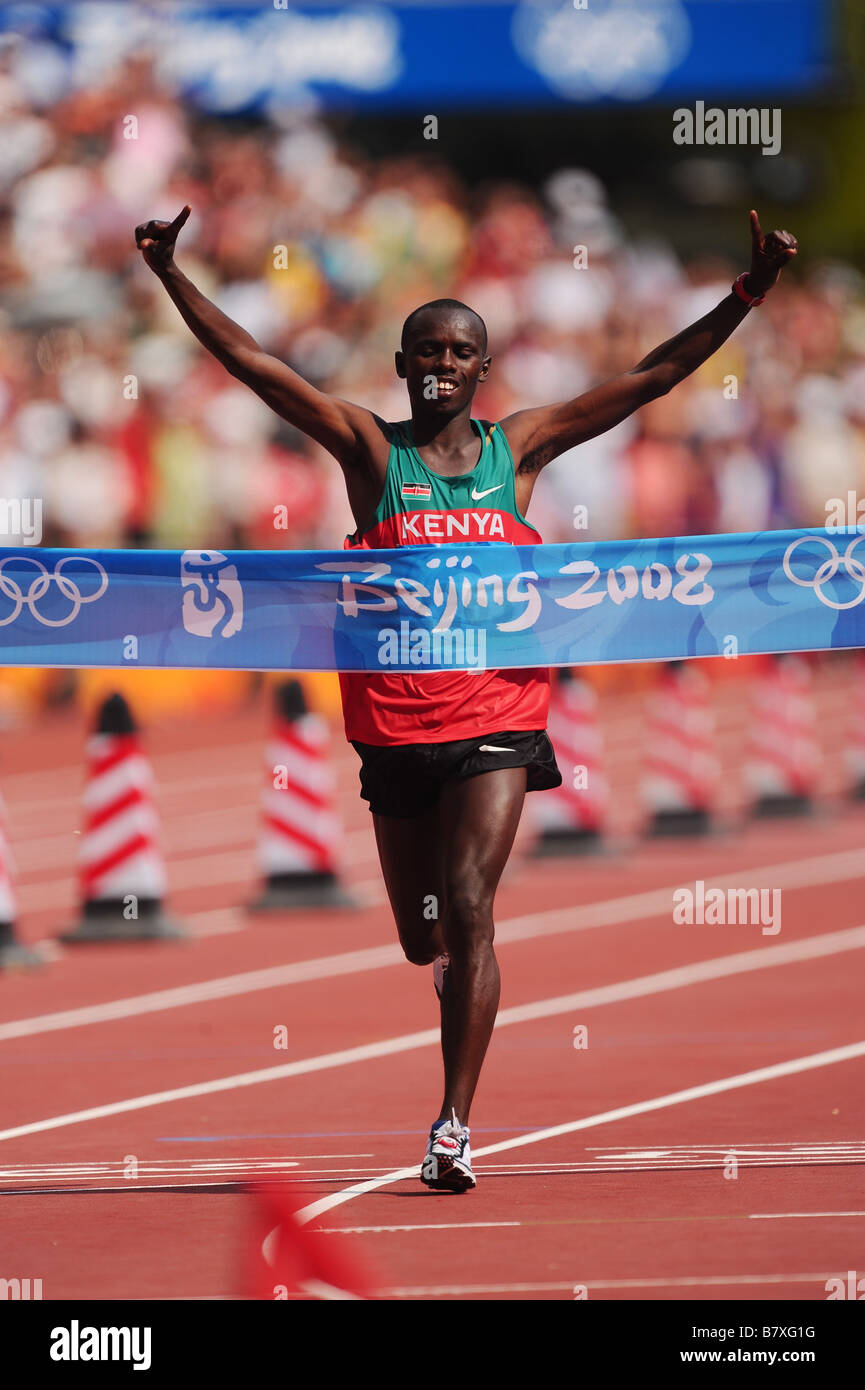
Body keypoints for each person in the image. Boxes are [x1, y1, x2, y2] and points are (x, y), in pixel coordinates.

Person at [135, 207, 797, 1192]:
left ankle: (452, 1124)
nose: (443, 363)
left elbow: (650, 378)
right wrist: (169, 271)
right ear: (403, 365)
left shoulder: (518, 448)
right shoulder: (369, 450)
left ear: (481, 368)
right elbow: (253, 366)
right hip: (396, 721)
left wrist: (745, 293)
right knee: (425, 932)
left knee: (476, 905)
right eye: (428, 351)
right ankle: (447, 973)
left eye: (461, 351)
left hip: (498, 712)